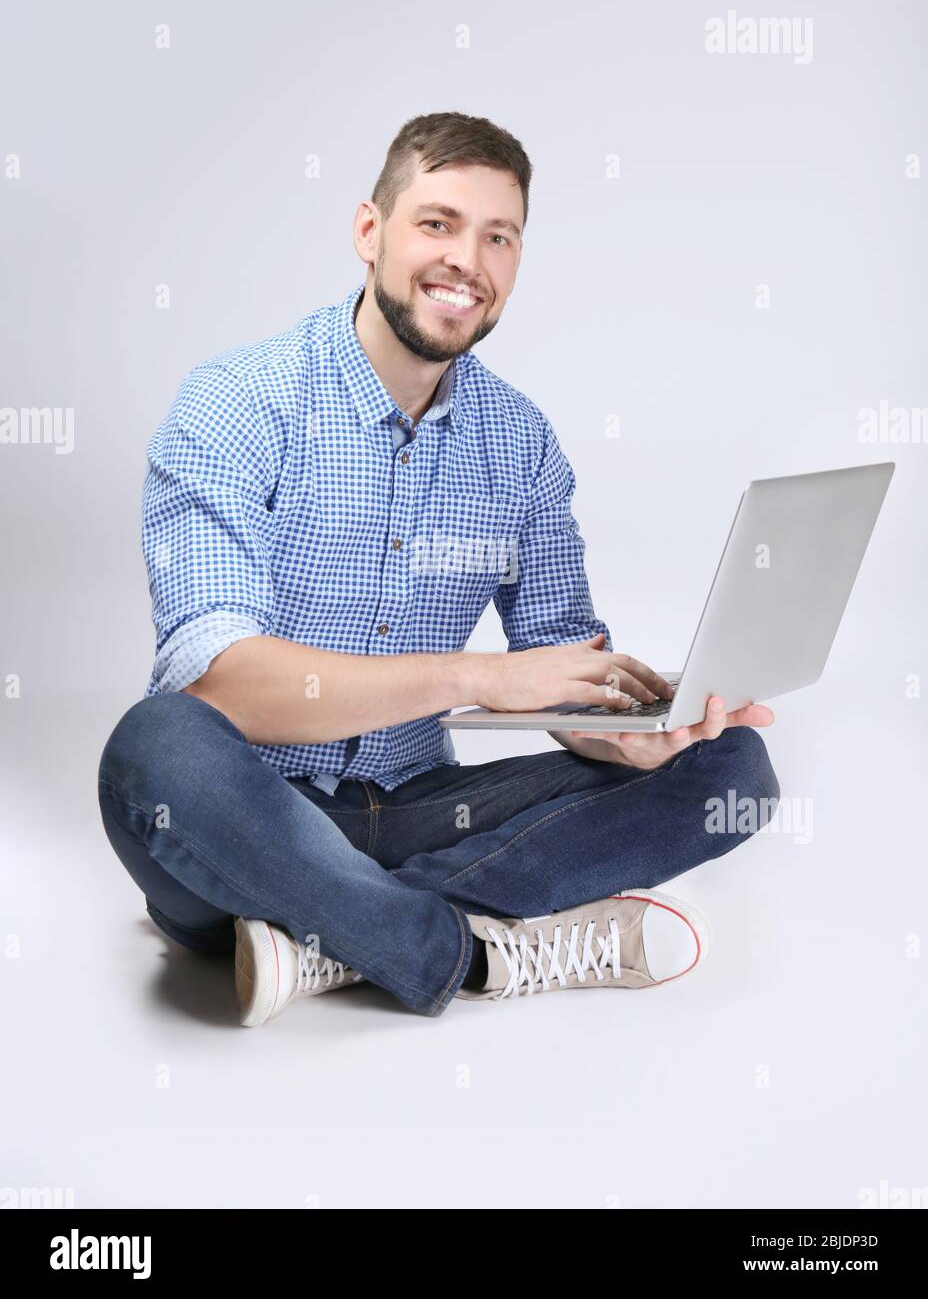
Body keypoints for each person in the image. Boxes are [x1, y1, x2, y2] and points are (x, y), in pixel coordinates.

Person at [97, 110, 780, 1027]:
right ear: (369, 232)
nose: (468, 259)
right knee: (157, 746)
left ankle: (335, 939)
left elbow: (558, 673)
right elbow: (225, 683)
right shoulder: (237, 404)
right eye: (438, 223)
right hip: (253, 814)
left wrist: (629, 734)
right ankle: (470, 949)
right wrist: (477, 677)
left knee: (734, 770)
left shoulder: (521, 442)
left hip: (421, 807)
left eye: (498, 236)